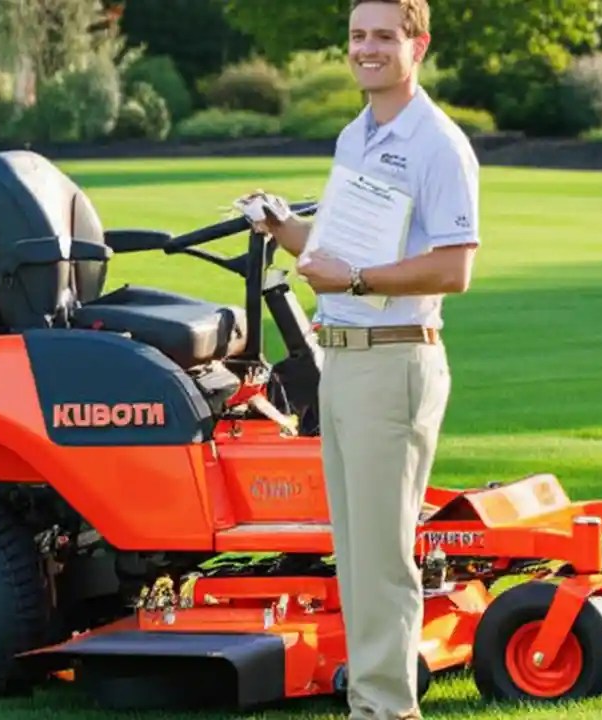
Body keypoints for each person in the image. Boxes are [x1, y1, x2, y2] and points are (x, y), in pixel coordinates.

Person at [240, 1, 479, 718]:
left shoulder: (438, 143)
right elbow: (341, 254)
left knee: (380, 559)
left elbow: (455, 268)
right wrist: (284, 228)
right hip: (342, 357)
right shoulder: (359, 133)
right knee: (356, 552)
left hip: (393, 362)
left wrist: (359, 281)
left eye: (383, 36)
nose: (366, 49)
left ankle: (384, 710)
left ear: (418, 46)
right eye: (357, 36)